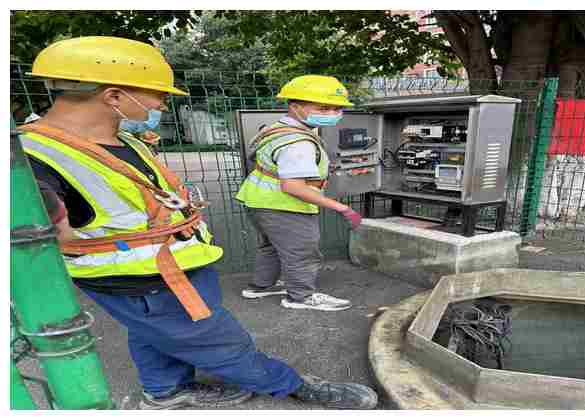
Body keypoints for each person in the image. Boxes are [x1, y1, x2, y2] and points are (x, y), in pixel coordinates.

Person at [19, 36, 377, 410]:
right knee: (216, 340)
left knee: (151, 334)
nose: (161, 105)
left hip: (169, 264)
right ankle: (292, 385)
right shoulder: (31, 160)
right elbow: (43, 229)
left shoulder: (121, 140)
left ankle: (165, 391)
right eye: (157, 95)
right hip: (140, 280)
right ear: (113, 96)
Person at [235, 75, 362, 311]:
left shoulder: (278, 128)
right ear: (295, 107)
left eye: (337, 108)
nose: (332, 113)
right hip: (283, 205)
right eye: (323, 108)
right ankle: (300, 297)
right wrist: (341, 207)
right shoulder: (298, 143)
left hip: (258, 200)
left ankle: (260, 287)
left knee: (271, 246)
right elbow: (293, 186)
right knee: (302, 251)